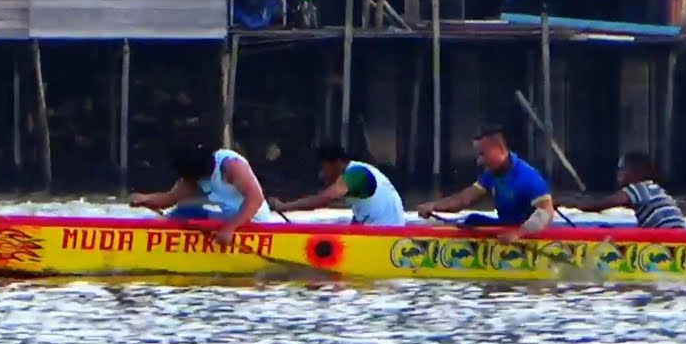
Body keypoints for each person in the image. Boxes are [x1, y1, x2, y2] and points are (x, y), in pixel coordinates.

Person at [416, 125, 554, 243]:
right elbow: (464, 199)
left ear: (499, 149)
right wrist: (433, 206)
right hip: (505, 228)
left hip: (524, 233)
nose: (479, 161)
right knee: (472, 220)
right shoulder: (492, 174)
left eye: (482, 154)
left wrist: (518, 234)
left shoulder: (528, 176)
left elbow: (546, 212)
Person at [130, 143, 277, 245]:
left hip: (254, 220)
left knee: (190, 211)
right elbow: (170, 198)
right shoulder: (194, 175)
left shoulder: (231, 164)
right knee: (185, 211)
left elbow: (256, 198)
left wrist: (230, 228)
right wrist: (144, 199)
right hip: (229, 217)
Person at [267, 144, 407, 226]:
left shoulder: (356, 174)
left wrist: (284, 207)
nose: (322, 174)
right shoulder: (362, 170)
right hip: (386, 230)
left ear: (337, 163)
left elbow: (323, 199)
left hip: (384, 235)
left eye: (324, 168)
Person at [562, 152, 685, 228]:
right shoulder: (655, 189)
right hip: (680, 238)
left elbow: (598, 204)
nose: (618, 173)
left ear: (636, 172)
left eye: (622, 168)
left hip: (667, 239)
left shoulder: (638, 189)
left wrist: (564, 202)